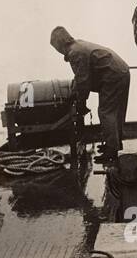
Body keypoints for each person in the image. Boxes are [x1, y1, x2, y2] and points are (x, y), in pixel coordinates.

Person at [50, 26, 131, 160]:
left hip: (113, 75)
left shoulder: (75, 52)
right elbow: (82, 77)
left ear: (60, 44)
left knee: (106, 112)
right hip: (121, 71)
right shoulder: (78, 45)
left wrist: (81, 103)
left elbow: (83, 81)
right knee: (116, 112)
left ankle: (111, 152)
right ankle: (114, 144)